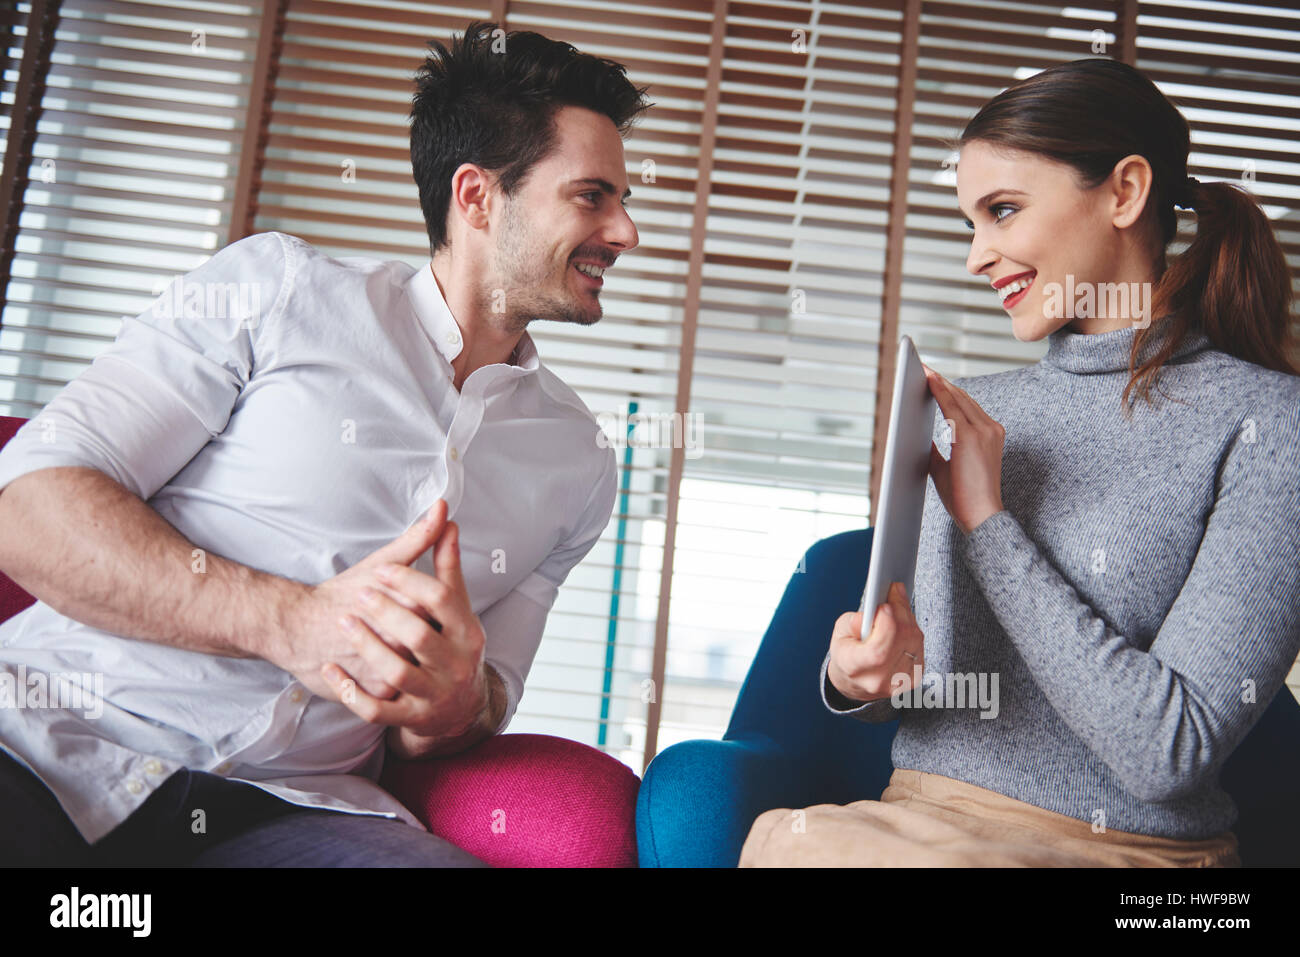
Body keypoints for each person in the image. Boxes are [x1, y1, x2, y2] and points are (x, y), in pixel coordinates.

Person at [0, 20, 649, 867]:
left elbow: (483, 706)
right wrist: (292, 621)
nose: (625, 231)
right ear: (478, 196)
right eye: (593, 195)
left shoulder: (580, 466)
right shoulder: (276, 291)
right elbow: (29, 502)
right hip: (52, 744)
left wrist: (450, 704)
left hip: (293, 812)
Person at [741, 58, 1300, 867]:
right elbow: (926, 692)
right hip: (913, 824)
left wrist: (988, 523)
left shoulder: (1270, 424)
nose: (978, 256)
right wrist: (858, 679)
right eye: (972, 221)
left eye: (1002, 211)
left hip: (1133, 856)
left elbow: (1169, 752)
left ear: (1125, 191)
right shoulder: (967, 410)